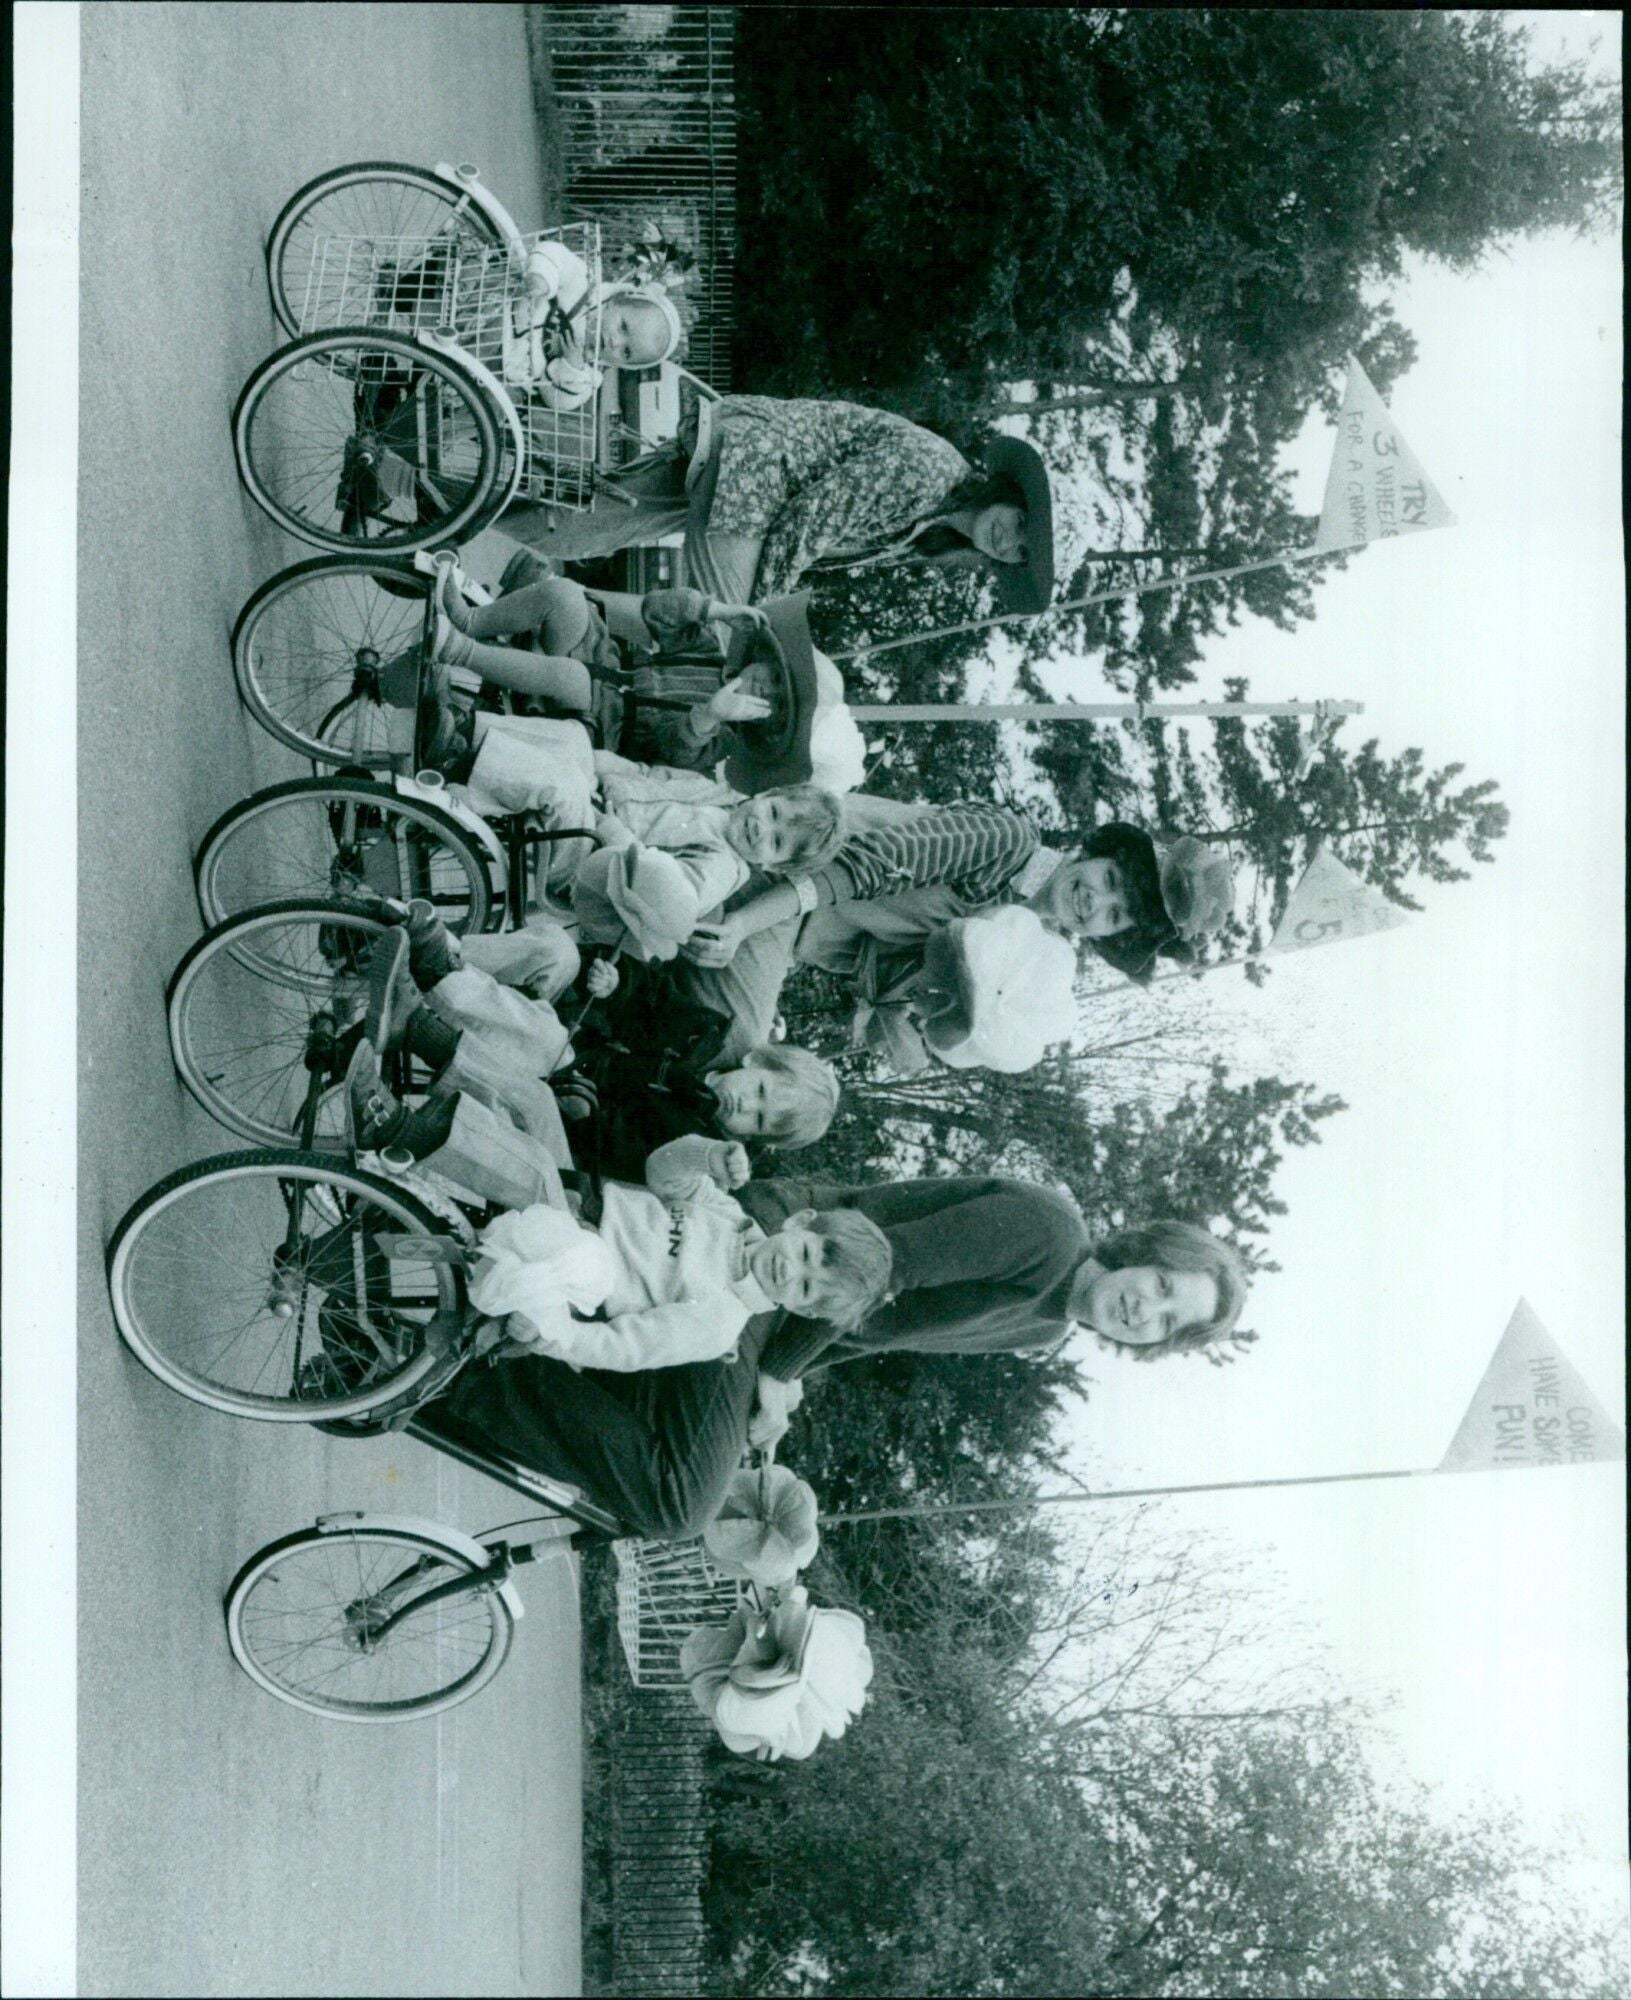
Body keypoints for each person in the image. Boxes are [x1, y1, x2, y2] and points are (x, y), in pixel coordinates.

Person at [670, 798, 1236, 1065]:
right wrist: (743, 924)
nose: (1095, 900)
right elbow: (865, 864)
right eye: (1108, 877)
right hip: (778, 864)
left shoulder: (1011, 946)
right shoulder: (1008, 841)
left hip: (786, 933)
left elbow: (876, 972)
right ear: (1089, 851)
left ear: (1106, 937)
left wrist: (917, 1015)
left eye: (1114, 915)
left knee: (758, 1065)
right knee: (734, 1048)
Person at [732, 1177, 1252, 1448]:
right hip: (785, 1238)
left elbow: (867, 1334)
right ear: (1140, 1253)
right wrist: (778, 1371)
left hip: (797, 1306)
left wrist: (790, 1376)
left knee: (727, 1447)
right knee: (687, 1493)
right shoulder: (1048, 1237)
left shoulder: (1047, 1328)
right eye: (1161, 1284)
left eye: (1165, 1322)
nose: (1144, 1310)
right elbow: (871, 1273)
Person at [498, 397, 1057, 613]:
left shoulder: (930, 531)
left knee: (575, 528)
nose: (1010, 540)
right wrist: (759, 612)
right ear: (1010, 494)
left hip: (747, 478)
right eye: (1021, 524)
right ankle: (558, 613)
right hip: (752, 467)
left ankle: (429, 491)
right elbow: (809, 519)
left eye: (1021, 553)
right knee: (720, 624)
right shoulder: (933, 472)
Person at [462, 1132, 892, 1372]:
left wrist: (552, 1335)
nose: (789, 1271)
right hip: (585, 1200)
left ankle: (409, 1130)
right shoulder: (729, 1216)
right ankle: (433, 1034)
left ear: (802, 1311)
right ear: (800, 1223)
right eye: (805, 1255)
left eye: (804, 1288)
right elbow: (661, 1173)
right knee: (531, 1105)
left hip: (575, 1267)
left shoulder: (719, 1322)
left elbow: (628, 1347)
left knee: (528, 1167)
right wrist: (708, 1156)